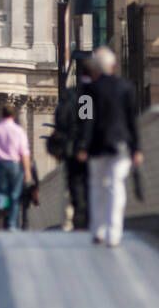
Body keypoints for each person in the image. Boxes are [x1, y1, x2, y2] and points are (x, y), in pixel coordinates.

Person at [76, 46, 143, 248]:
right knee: (116, 186)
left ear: (95, 68)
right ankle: (114, 232)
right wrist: (136, 148)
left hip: (96, 145)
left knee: (96, 185)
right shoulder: (126, 88)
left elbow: (84, 121)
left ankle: (98, 229)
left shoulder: (86, 92)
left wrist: (82, 145)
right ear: (114, 66)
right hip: (120, 144)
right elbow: (132, 120)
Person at [48, 58, 95, 231]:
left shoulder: (69, 95)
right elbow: (86, 121)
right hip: (83, 149)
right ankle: (84, 218)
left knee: (74, 184)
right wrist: (83, 145)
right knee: (87, 183)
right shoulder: (85, 96)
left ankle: (78, 215)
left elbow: (60, 120)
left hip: (70, 148)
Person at [0, 102, 32, 232]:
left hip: (0, 164)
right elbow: (24, 152)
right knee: (14, 194)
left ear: (2, 114)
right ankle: (12, 224)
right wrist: (27, 171)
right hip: (14, 164)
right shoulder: (19, 130)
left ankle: (0, 213)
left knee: (1, 192)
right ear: (14, 115)